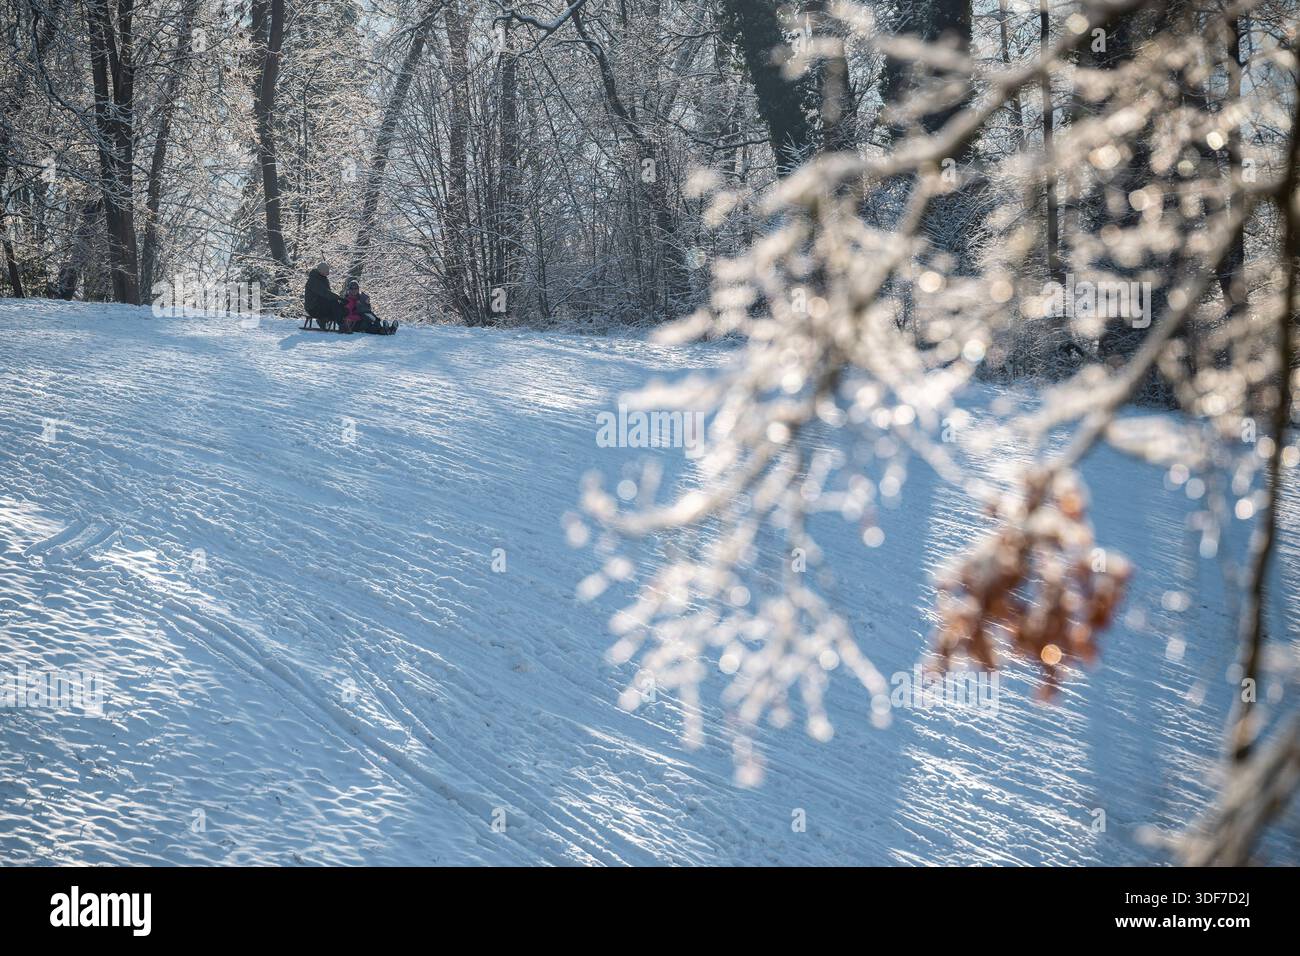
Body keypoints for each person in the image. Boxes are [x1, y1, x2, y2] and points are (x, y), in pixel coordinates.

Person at [303, 261, 343, 330]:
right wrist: (338, 297)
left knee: (337, 304)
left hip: (320, 304)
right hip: (313, 307)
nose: (328, 273)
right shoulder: (313, 280)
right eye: (326, 271)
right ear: (321, 271)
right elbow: (324, 293)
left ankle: (336, 322)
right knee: (334, 302)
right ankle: (341, 324)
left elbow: (328, 293)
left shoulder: (324, 279)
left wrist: (338, 299)